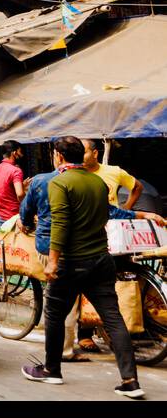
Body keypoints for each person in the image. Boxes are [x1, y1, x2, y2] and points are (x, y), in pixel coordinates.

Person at [21, 136, 146, 399]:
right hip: (101, 260)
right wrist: (142, 215)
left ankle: (52, 370)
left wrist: (53, 261)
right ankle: (131, 381)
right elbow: (110, 213)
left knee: (55, 313)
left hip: (70, 261)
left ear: (58, 156)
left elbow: (61, 224)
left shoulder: (59, 182)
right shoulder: (98, 182)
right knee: (113, 318)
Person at [82, 139, 142, 210]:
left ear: (95, 153)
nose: (79, 157)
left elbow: (137, 187)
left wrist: (126, 208)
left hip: (111, 219)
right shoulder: (71, 175)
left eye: (83, 153)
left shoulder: (114, 171)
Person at [0, 140, 26, 222]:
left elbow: (4, 190)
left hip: (1, 217)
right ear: (14, 153)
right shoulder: (16, 170)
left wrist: (22, 185)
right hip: (15, 217)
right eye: (20, 152)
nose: (22, 155)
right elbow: (20, 194)